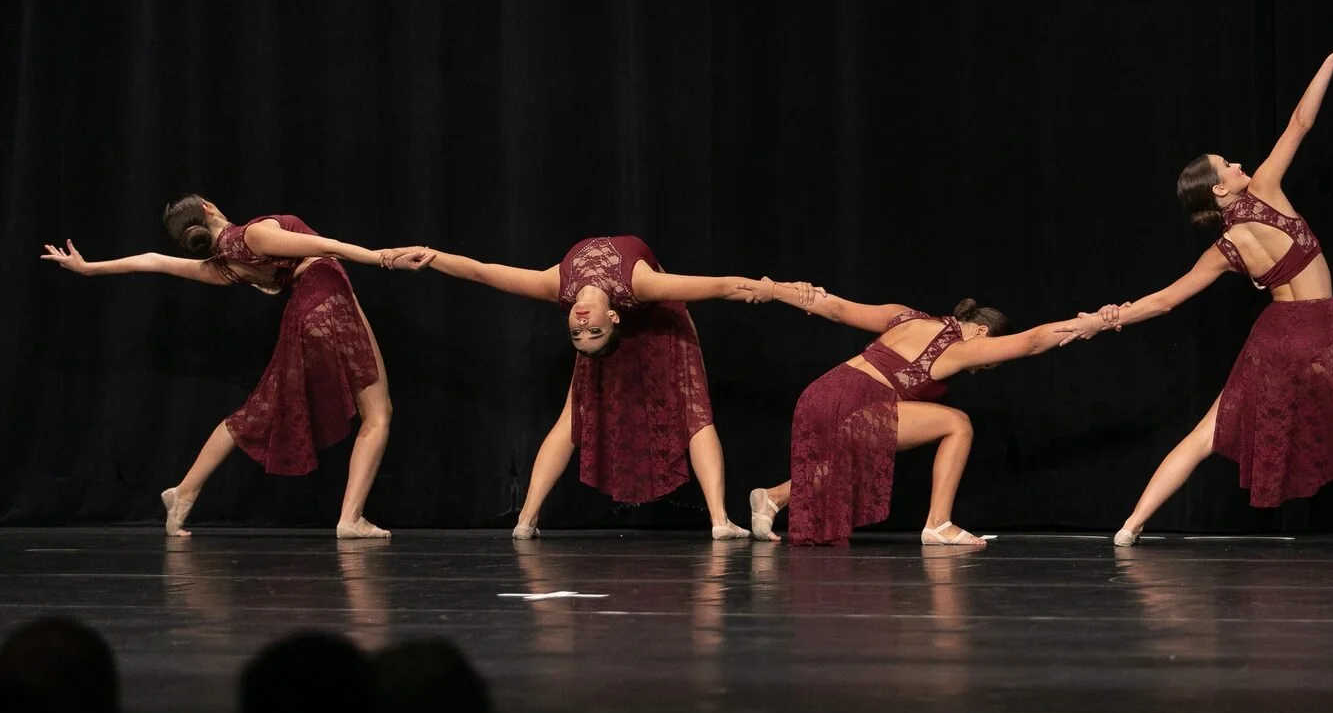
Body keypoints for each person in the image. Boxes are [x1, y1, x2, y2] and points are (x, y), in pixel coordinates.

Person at [1083, 29, 1333, 546]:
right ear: (1220, 188)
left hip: (1272, 344)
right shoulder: (1267, 191)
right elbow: (1301, 122)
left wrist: (1108, 319)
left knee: (1205, 435)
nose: (1237, 164)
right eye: (1227, 165)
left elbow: (1164, 301)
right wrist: (1329, 62)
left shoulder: (1223, 249)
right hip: (1315, 335)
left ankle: (1130, 525)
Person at [386, 235, 813, 539]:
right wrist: (779, 291)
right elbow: (721, 287)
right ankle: (526, 520)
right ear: (611, 320)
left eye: (580, 330)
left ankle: (720, 521)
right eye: (586, 331)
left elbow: (484, 271)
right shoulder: (633, 286)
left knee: (693, 410)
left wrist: (433, 256)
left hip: (663, 320)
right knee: (574, 415)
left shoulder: (572, 286)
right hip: (647, 304)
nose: (582, 324)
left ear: (609, 318)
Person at [42, 196, 416, 537]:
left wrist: (89, 269)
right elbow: (327, 247)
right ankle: (350, 518)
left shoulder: (222, 269)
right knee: (378, 413)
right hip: (328, 299)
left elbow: (154, 260)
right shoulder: (253, 235)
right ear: (208, 207)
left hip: (308, 310)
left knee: (258, 410)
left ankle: (184, 492)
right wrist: (383, 257)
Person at [749, 291, 1111, 546]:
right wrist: (1092, 323)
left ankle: (773, 497)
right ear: (982, 332)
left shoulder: (906, 316)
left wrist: (774, 290)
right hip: (853, 402)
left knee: (862, 454)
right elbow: (1031, 342)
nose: (979, 369)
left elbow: (836, 308)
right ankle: (938, 523)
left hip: (819, 395)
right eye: (988, 363)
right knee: (957, 424)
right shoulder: (959, 347)